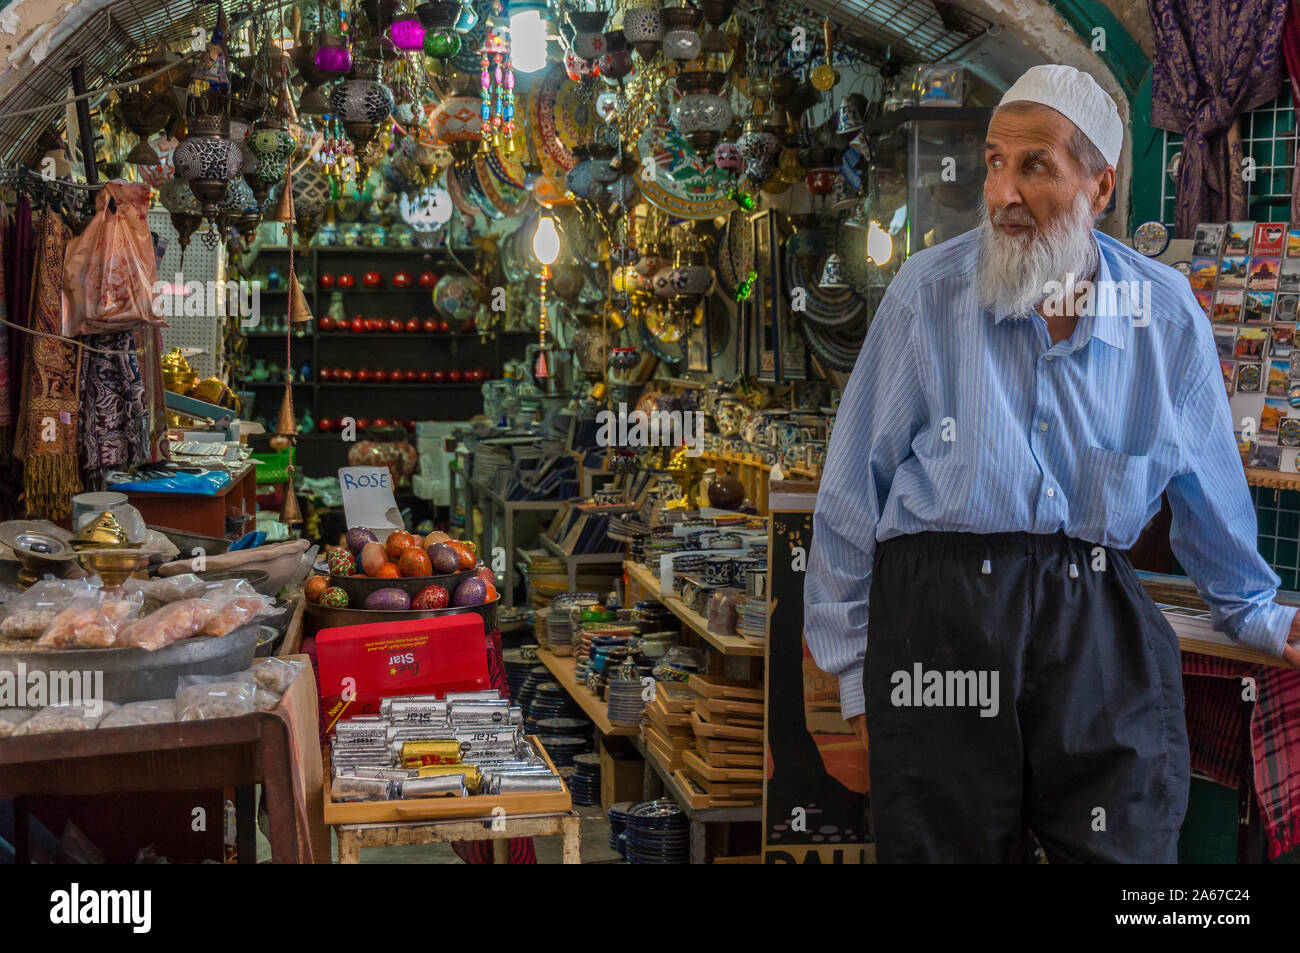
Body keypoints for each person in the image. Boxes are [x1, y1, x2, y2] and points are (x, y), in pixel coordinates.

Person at [803, 64, 1300, 863]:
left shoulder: (1165, 315)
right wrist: (851, 676)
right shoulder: (927, 295)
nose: (1003, 192)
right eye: (995, 162)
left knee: (1129, 850)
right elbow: (851, 500)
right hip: (943, 622)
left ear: (1100, 188)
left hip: (1094, 620)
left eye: (1035, 166)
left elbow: (1208, 487)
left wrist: (1257, 608)